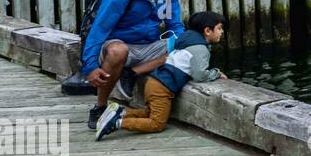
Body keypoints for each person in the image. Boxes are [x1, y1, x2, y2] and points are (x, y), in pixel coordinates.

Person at [81, 0, 184, 131]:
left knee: (185, 45)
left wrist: (183, 44)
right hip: (119, 45)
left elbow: (175, 26)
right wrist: (89, 66)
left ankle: (132, 74)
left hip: (148, 47)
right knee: (117, 51)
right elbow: (99, 30)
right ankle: (100, 107)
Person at [96, 11, 226, 140]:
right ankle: (116, 123)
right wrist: (216, 73)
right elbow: (200, 75)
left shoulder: (186, 42)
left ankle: (121, 112)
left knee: (151, 112)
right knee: (157, 123)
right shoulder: (200, 49)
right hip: (162, 88)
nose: (222, 32)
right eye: (219, 28)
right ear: (207, 31)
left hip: (153, 81)